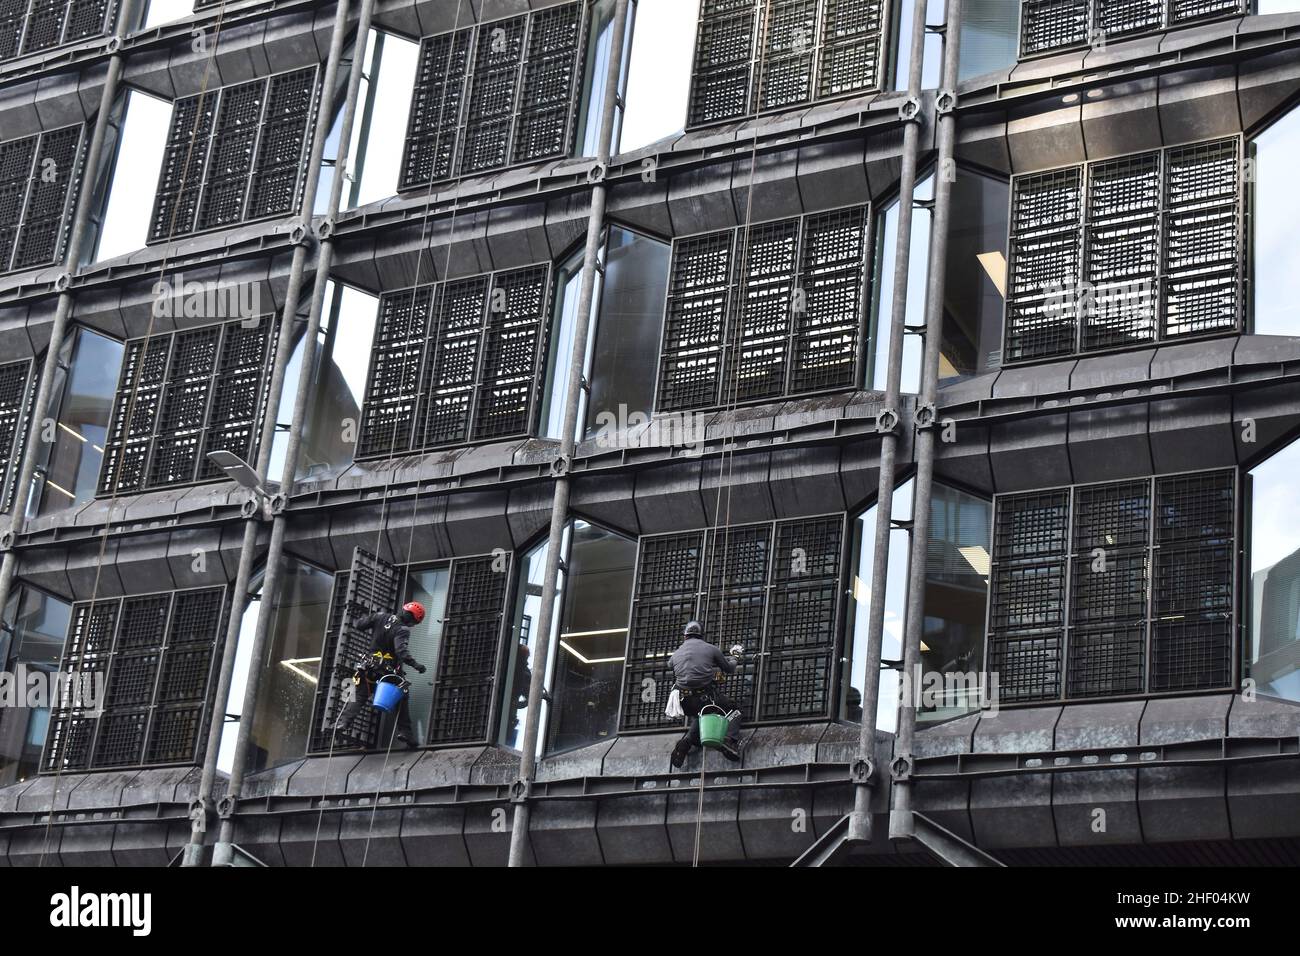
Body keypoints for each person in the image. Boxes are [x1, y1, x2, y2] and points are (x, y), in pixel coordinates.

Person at [333, 601, 427, 748]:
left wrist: (367, 617)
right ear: (411, 619)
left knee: (359, 696)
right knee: (402, 695)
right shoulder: (402, 629)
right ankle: (405, 733)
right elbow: (401, 651)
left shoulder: (380, 616)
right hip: (387, 671)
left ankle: (343, 722)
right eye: (413, 623)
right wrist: (417, 665)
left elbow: (359, 625)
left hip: (369, 666)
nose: (411, 626)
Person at [669, 620, 745, 767]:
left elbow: (674, 666)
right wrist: (735, 657)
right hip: (704, 698)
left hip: (682, 702)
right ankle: (729, 741)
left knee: (701, 717)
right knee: (734, 710)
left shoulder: (676, 654)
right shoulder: (711, 649)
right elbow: (729, 668)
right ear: (701, 635)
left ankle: (686, 743)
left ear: (685, 636)